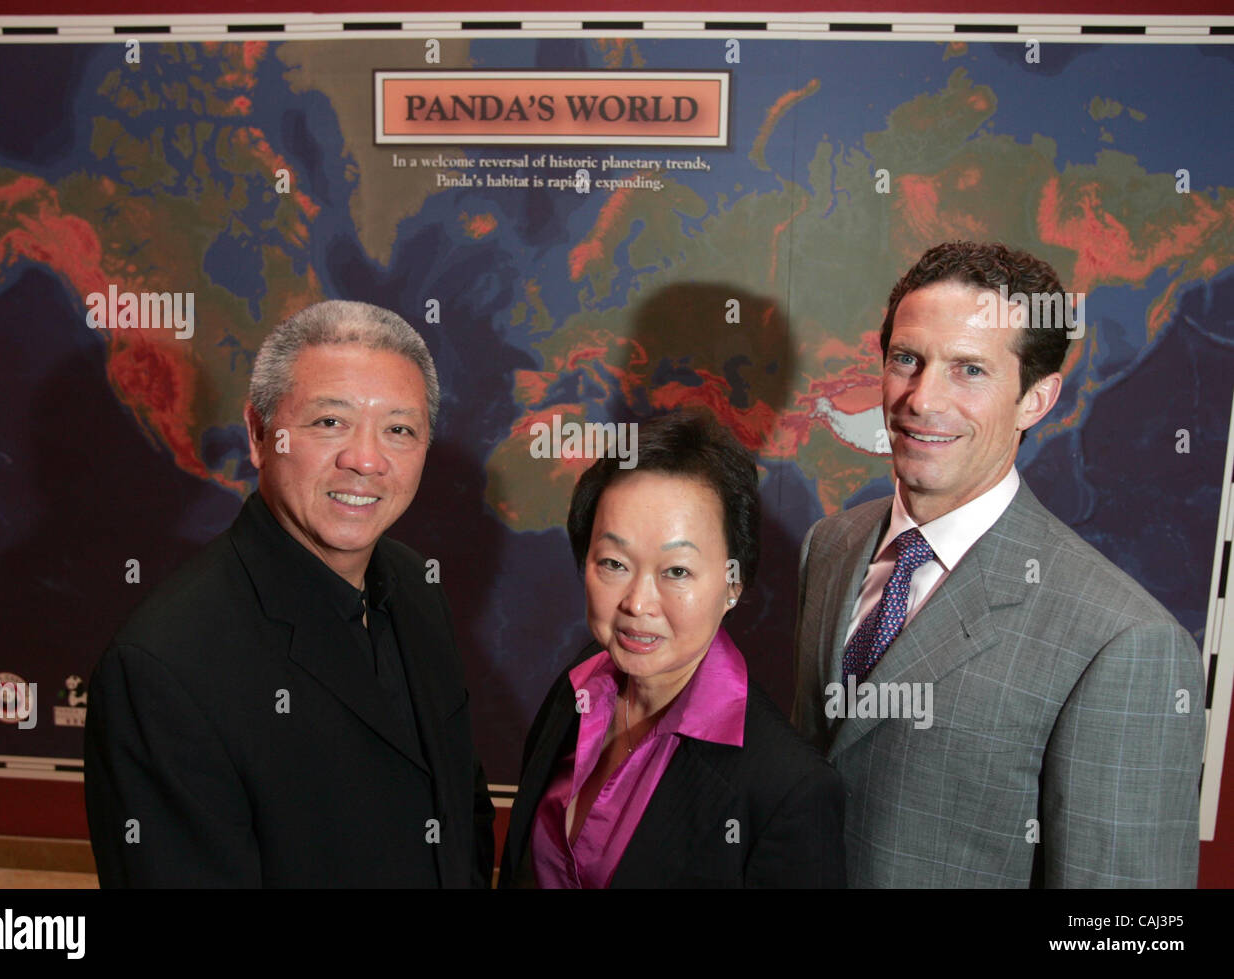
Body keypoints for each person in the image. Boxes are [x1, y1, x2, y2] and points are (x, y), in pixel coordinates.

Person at [792, 240, 1206, 887]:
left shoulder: (1125, 643)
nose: (922, 399)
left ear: (1036, 399)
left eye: (969, 370)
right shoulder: (831, 546)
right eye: (907, 359)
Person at [84, 300, 494, 887]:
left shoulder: (415, 585)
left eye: (399, 430)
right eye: (330, 422)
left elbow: (459, 810)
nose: (366, 460)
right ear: (258, 435)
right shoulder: (162, 667)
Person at [501, 411, 845, 888]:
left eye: (677, 571)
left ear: (733, 584)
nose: (638, 603)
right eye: (614, 563)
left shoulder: (787, 788)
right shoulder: (577, 687)